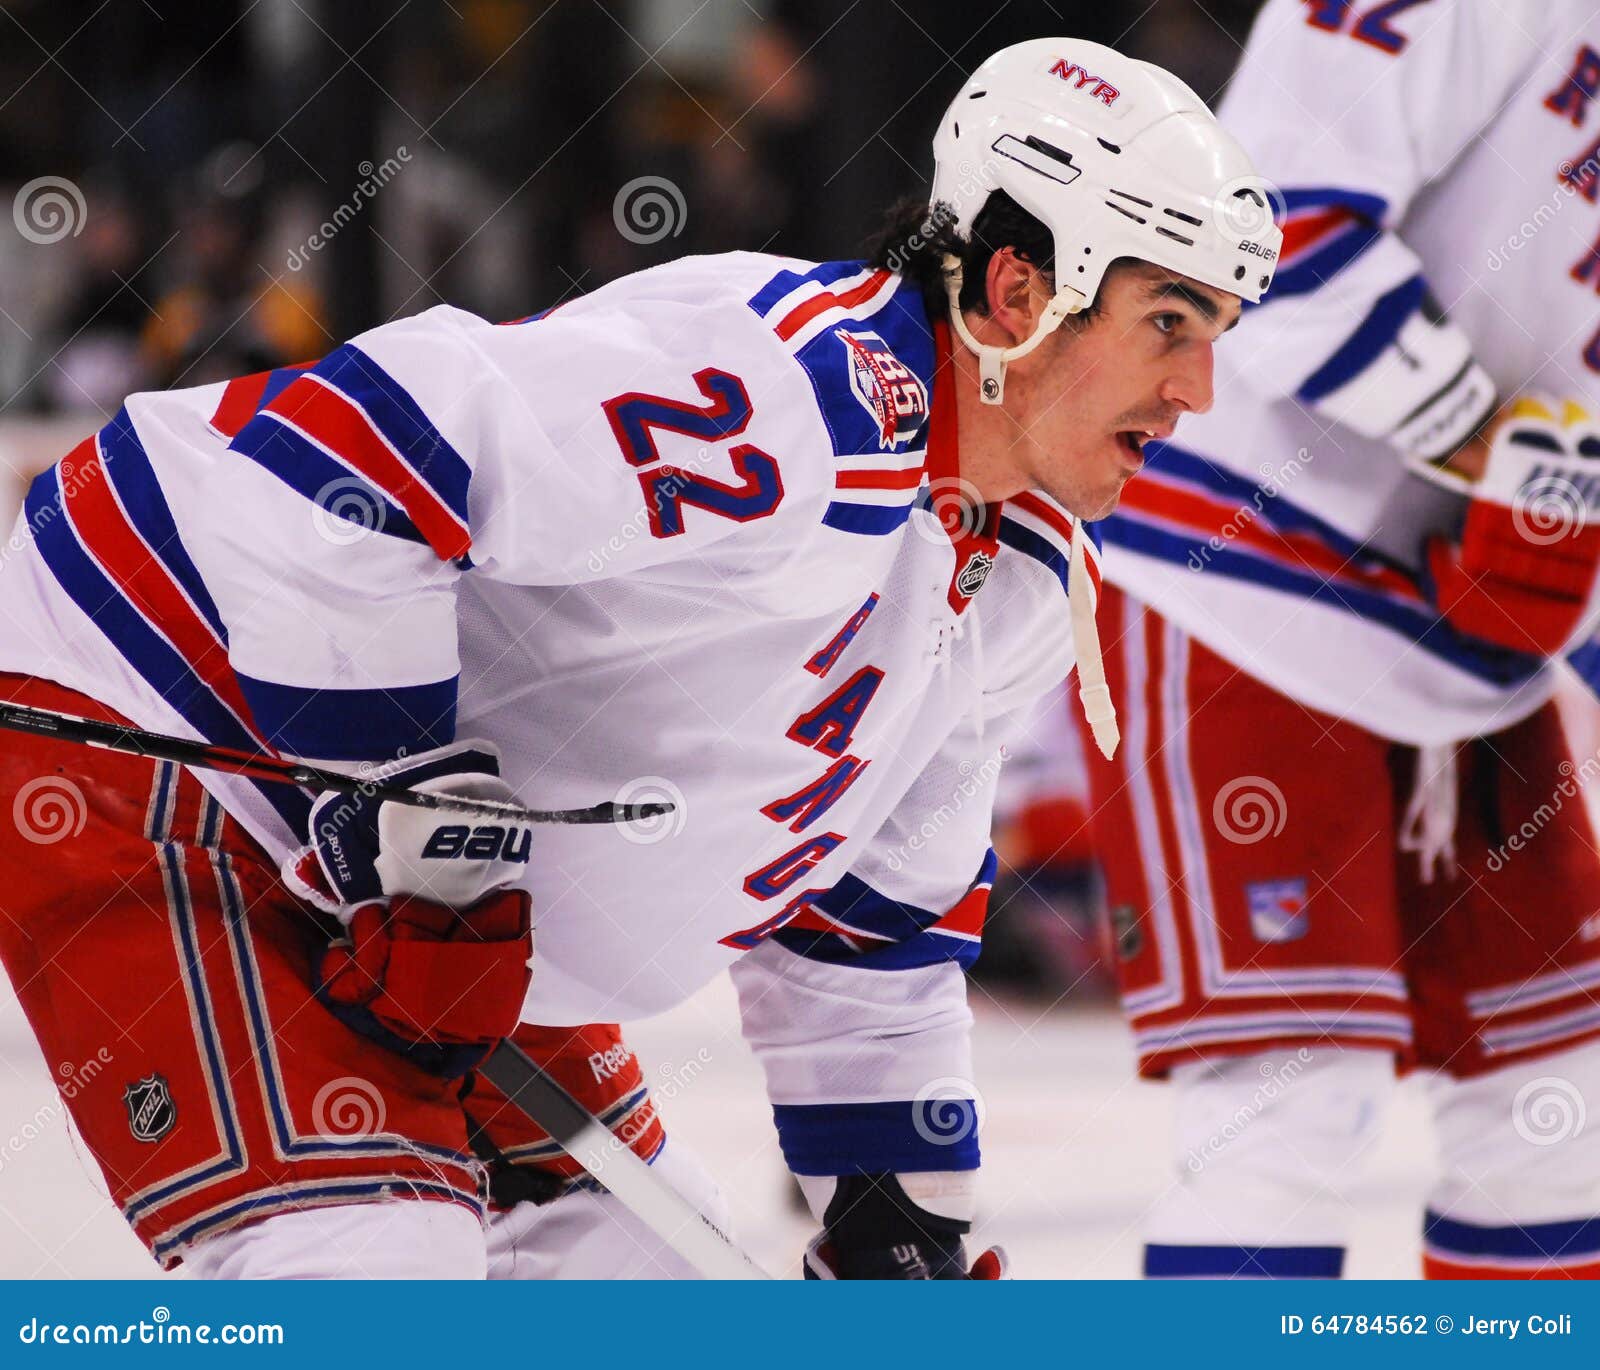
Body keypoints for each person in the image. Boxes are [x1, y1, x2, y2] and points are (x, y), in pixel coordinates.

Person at [0, 37, 1275, 1279]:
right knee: (370, 1273)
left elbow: (866, 932)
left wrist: (904, 1230)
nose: (1198, 390)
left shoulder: (1017, 571)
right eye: (1170, 321)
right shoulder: (794, 389)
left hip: (454, 931)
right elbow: (331, 468)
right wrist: (420, 839)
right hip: (166, 727)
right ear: (1016, 292)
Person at [1075, 0, 1600, 1279]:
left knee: (1559, 1112)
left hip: (1475, 626)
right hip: (1239, 571)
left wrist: (1553, 528)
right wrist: (1496, 456)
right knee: (1291, 1096)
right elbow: (1277, 227)